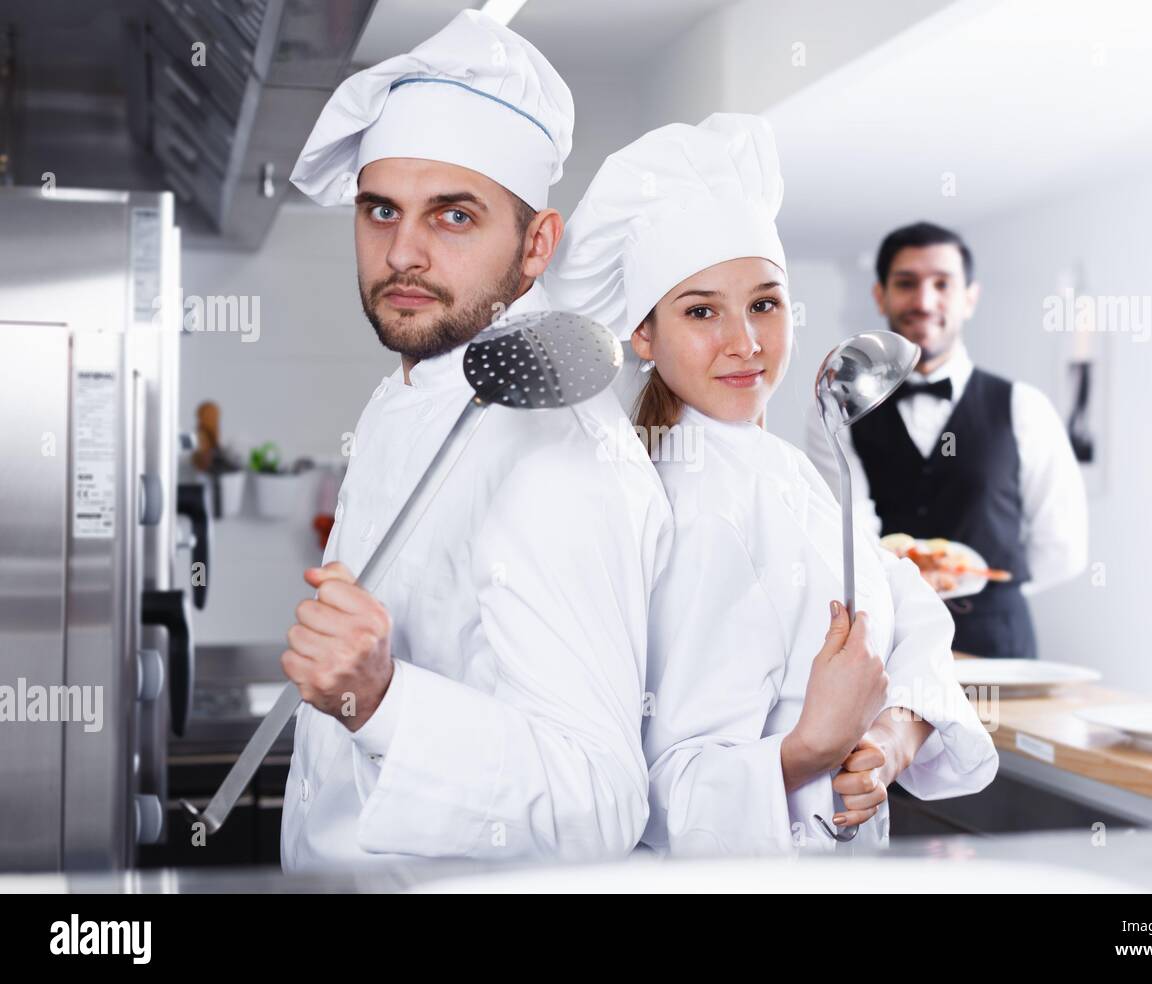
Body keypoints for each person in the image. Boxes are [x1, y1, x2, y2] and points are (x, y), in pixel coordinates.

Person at [277, 9, 672, 868]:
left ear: (537, 246)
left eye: (453, 217)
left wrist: (378, 701)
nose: (404, 254)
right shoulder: (409, 391)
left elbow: (596, 799)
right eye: (380, 211)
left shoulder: (558, 452)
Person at [546, 115, 997, 855]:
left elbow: (906, 608)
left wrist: (889, 736)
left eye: (764, 302)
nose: (746, 341)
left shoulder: (787, 471)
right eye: (701, 311)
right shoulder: (671, 505)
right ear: (644, 336)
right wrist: (812, 749)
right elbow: (653, 797)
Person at [805, 222, 1088, 660]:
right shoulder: (839, 409)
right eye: (906, 283)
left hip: (999, 650)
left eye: (943, 284)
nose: (924, 301)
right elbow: (851, 534)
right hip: (890, 643)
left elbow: (1062, 546)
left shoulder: (1023, 406)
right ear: (880, 295)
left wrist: (982, 586)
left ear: (970, 297)